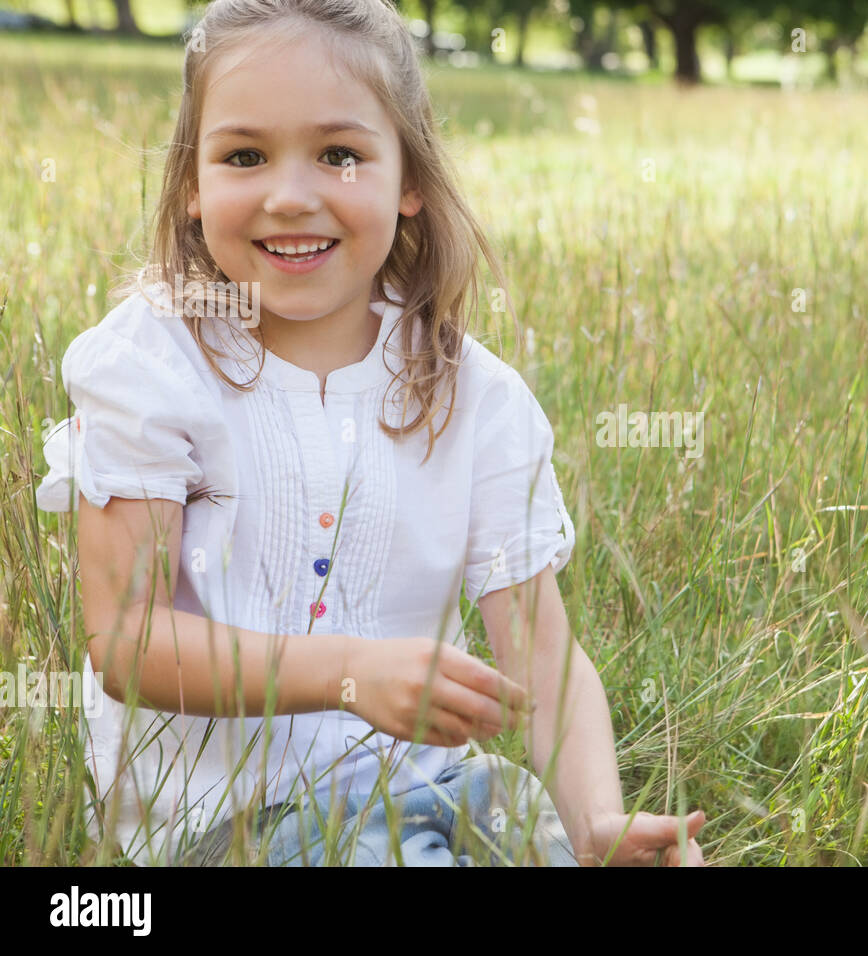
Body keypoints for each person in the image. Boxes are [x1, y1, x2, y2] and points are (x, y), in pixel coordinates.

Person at [34, 0, 706, 867]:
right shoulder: (152, 365)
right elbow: (127, 640)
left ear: (409, 178)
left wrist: (596, 823)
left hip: (428, 793)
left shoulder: (478, 398)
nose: (289, 195)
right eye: (245, 156)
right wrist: (348, 671)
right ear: (194, 185)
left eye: (341, 155)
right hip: (225, 826)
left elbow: (542, 652)